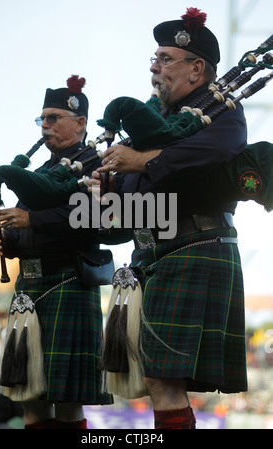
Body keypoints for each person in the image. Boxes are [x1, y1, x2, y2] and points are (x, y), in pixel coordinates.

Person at [90, 8, 248, 429]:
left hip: (194, 248)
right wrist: (103, 199)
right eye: (153, 59)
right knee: (155, 378)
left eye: (164, 59)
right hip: (151, 256)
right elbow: (122, 223)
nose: (153, 68)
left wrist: (139, 160)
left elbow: (212, 154)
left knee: (163, 378)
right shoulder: (149, 126)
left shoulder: (222, 114)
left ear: (196, 69)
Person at [0, 75, 113, 429]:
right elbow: (28, 230)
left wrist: (31, 217)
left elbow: (95, 217)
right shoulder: (41, 171)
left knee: (68, 402)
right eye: (42, 119)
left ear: (80, 122)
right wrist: (7, 242)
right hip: (29, 288)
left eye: (53, 118)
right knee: (31, 402)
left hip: (67, 282)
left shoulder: (95, 164)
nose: (45, 126)